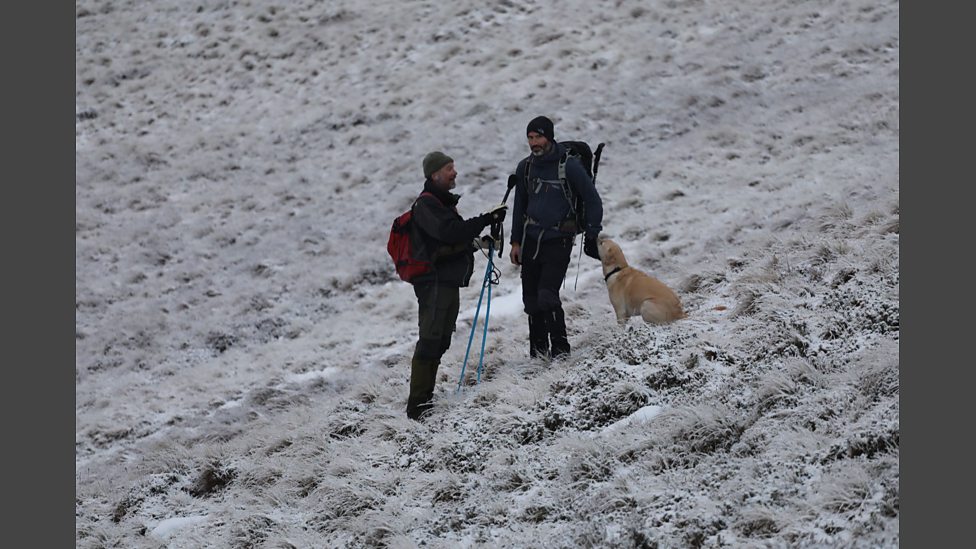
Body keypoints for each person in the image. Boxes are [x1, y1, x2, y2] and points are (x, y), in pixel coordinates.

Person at [405, 151, 507, 420]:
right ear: (434, 174)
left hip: (445, 283)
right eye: (449, 168)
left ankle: (424, 402)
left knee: (440, 341)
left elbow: (450, 243)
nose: (455, 173)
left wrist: (479, 243)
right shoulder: (427, 205)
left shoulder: (441, 203)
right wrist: (486, 219)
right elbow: (450, 233)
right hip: (434, 285)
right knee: (430, 341)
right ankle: (417, 409)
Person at [509, 116, 603, 359]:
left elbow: (593, 199)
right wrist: (515, 242)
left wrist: (592, 232)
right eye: (530, 138)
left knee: (547, 295)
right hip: (531, 240)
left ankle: (561, 352)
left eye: (538, 137)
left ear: (549, 137)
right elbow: (519, 206)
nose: (534, 143)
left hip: (559, 239)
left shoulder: (568, 166)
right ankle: (538, 355)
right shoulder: (525, 167)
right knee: (531, 300)